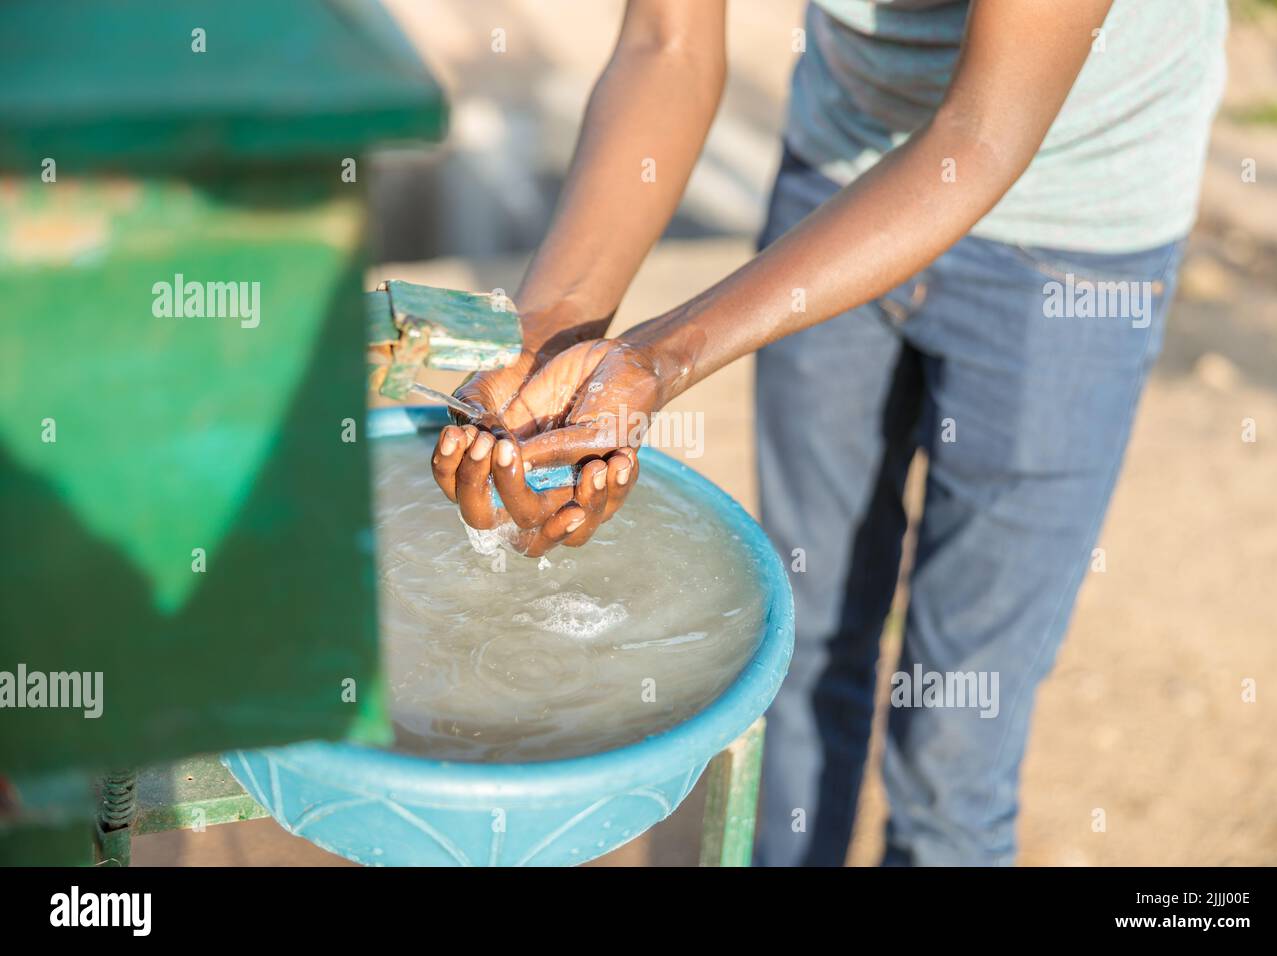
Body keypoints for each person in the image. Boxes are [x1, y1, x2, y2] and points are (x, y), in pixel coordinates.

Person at [430, 0, 1227, 865]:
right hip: (838, 174)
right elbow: (668, 43)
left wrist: (658, 360)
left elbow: (982, 132)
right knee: (796, 648)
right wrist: (553, 334)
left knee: (960, 734)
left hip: (1075, 224)